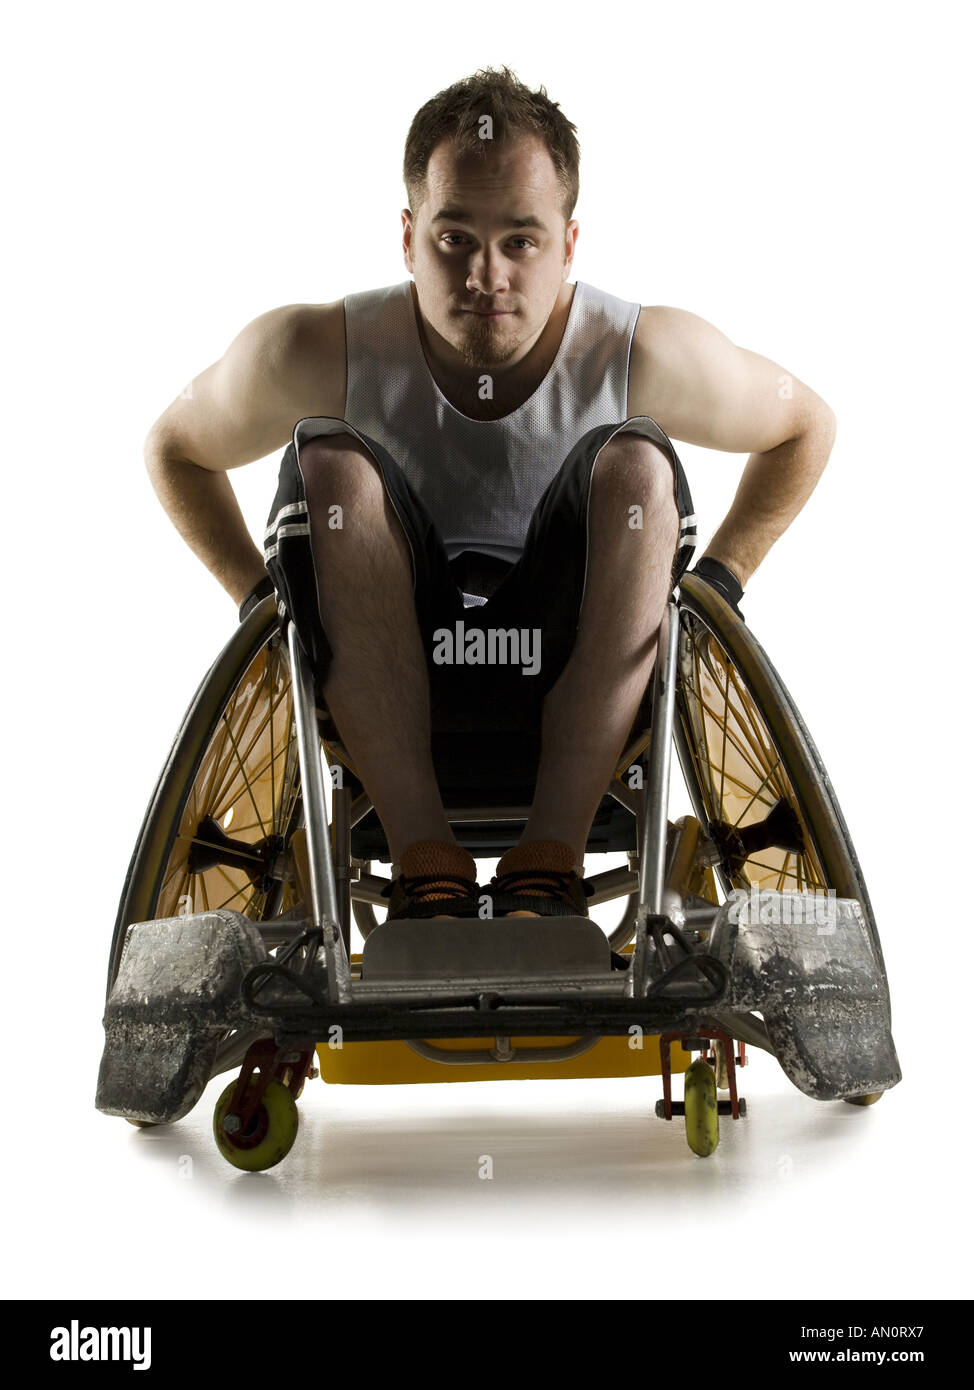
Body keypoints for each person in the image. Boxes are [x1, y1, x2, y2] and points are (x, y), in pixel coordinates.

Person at [143, 67, 836, 923]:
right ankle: (424, 860)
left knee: (638, 466)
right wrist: (260, 608)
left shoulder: (638, 349)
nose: (487, 275)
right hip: (384, 683)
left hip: (576, 677)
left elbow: (803, 424)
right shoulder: (319, 347)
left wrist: (718, 587)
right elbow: (175, 447)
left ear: (570, 245)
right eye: (453, 238)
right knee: (330, 461)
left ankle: (548, 861)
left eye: (520, 240)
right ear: (407, 237)